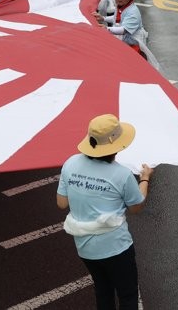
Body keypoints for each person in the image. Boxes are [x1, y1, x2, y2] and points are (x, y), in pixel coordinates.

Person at [56, 114, 153, 310]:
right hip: (117, 247)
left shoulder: (70, 163)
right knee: (127, 295)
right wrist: (145, 179)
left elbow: (61, 203)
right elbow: (136, 206)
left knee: (103, 291)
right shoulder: (122, 174)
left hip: (85, 248)